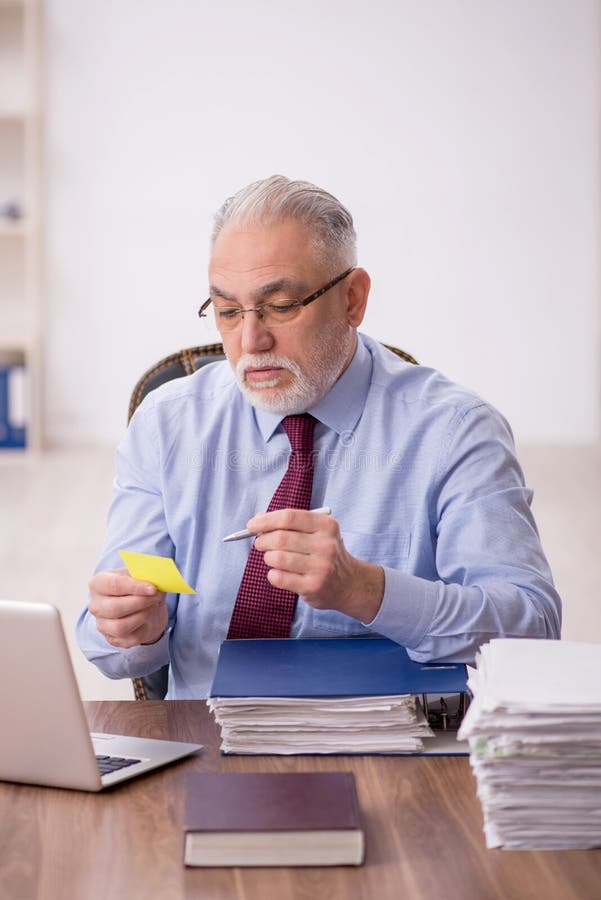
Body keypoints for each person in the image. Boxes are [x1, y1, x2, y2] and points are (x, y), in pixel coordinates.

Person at [77, 175, 561, 698]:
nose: (250, 340)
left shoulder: (454, 428)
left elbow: (531, 625)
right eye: (227, 311)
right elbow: (106, 639)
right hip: (205, 740)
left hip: (389, 743)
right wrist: (131, 630)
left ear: (353, 299)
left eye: (281, 306)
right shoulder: (167, 425)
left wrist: (366, 590)